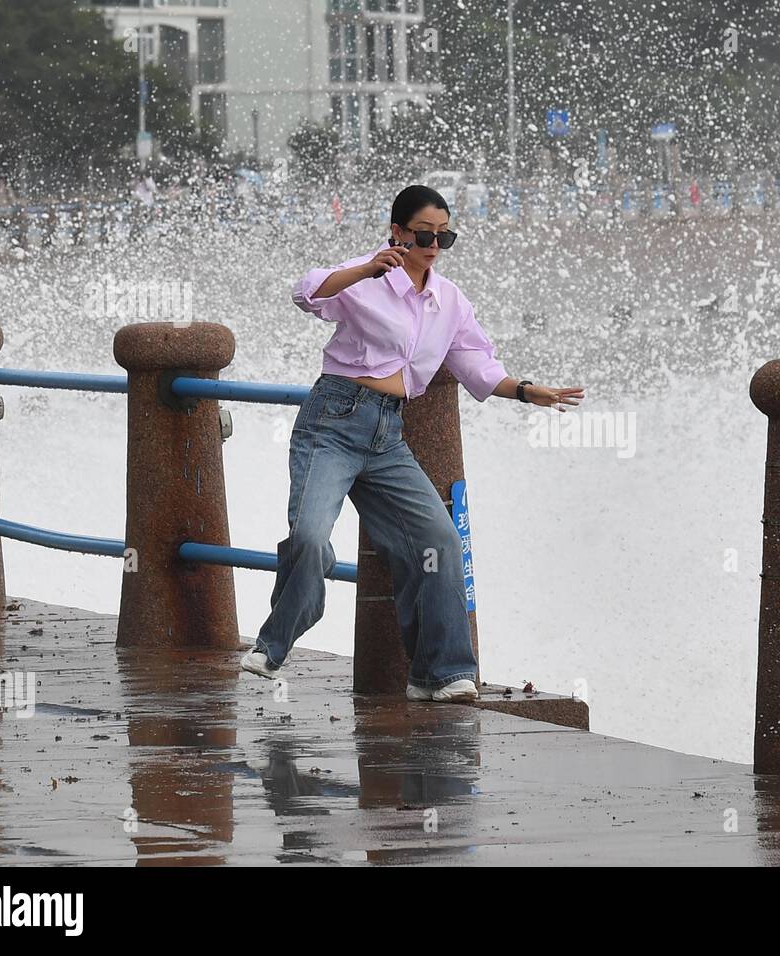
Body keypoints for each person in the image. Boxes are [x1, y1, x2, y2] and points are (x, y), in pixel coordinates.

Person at [242, 184, 584, 701]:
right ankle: (277, 640)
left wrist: (528, 392)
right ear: (398, 231)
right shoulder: (366, 279)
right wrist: (367, 269)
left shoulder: (449, 301)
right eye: (424, 234)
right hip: (333, 420)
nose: (433, 245)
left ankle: (439, 674)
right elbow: (307, 292)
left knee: (439, 543)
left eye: (445, 236)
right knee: (311, 538)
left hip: (387, 434)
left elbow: (475, 362)